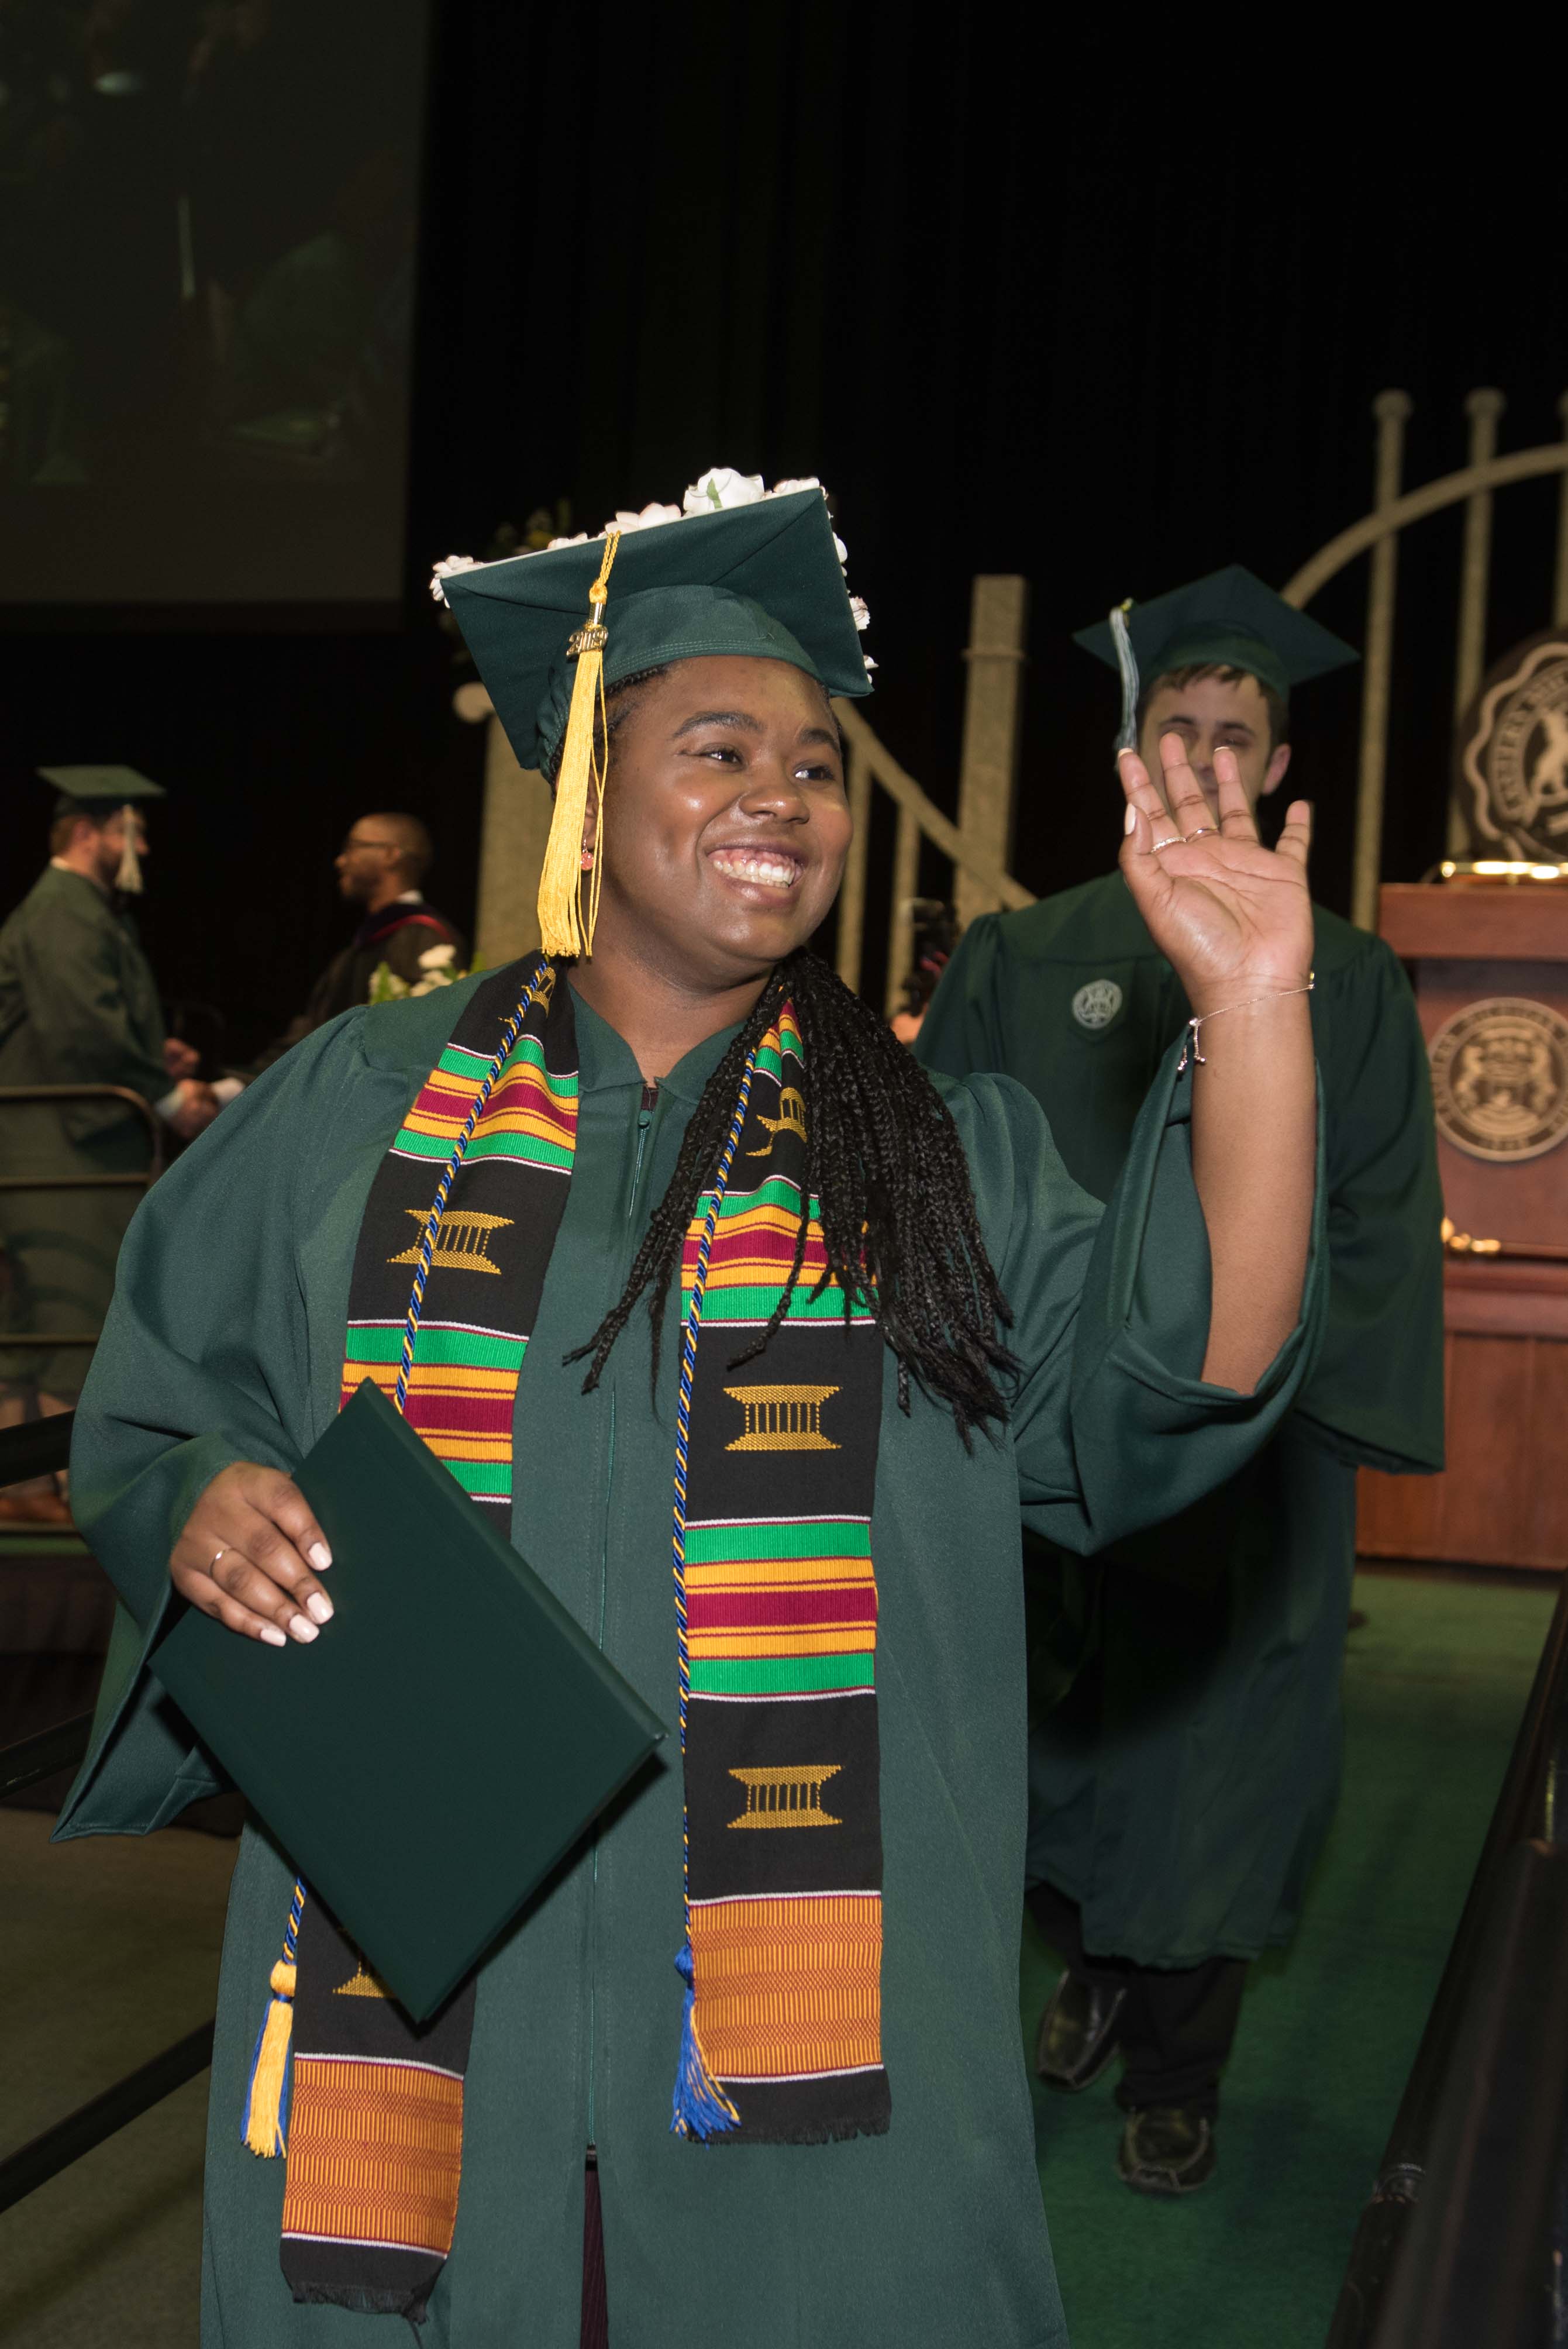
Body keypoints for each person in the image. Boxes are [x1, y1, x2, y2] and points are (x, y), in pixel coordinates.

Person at [61, 483, 1326, 2348]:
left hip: (829, 2060)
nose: (782, 797)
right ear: (588, 789)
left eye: (817, 767)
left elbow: (1196, 1366)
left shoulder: (934, 1160)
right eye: (719, 748)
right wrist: (193, 1500)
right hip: (423, 1994)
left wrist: (1253, 1002)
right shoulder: (362, 1104)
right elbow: (160, 1409)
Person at [916, 566, 1444, 2196]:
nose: (1207, 755)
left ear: (1277, 764)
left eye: (1236, 733)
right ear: (1132, 748)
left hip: (1244, 1448)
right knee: (1039, 1746)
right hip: (1040, 1437)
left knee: (1221, 1767)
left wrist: (1292, 1414)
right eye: (1178, 725)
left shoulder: (1345, 974)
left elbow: (1375, 1210)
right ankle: (1089, 1963)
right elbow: (934, 1175)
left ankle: (1178, 2070)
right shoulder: (1021, 954)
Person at [0, 767, 216, 1522]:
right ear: (90, 832)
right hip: (63, 1144)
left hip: (58, 1138)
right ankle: (53, 1486)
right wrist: (166, 1096)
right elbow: (84, 1029)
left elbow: (84, 1022)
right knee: (70, 1302)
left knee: (38, 1316)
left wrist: (156, 1056)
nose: (142, 848)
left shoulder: (79, 910)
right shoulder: (64, 910)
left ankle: (25, 1488)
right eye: (133, 831)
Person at [251, 812, 467, 1070]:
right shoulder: (360, 947)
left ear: (390, 855)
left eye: (352, 847)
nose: (340, 861)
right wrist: (238, 1084)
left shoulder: (426, 941)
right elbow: (311, 1032)